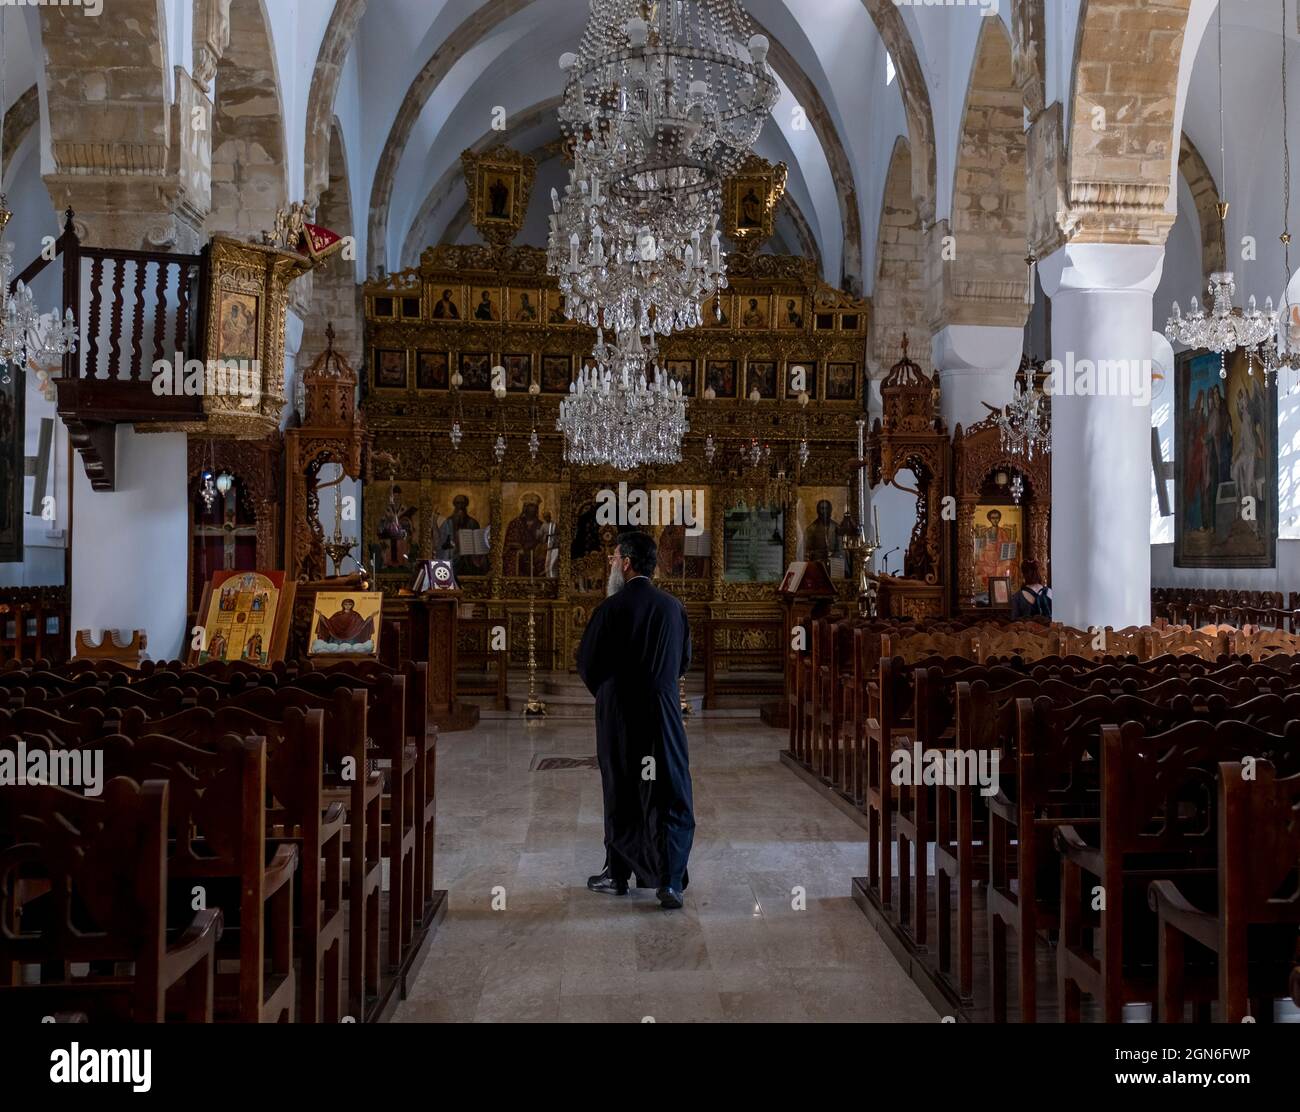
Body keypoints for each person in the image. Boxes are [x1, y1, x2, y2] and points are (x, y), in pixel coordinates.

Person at [577, 531, 694, 909]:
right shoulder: (673, 607)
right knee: (669, 788)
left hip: (621, 716)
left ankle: (618, 874)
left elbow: (588, 663)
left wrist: (609, 694)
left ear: (626, 563)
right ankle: (670, 880)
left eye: (613, 558)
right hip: (662, 713)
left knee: (622, 787)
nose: (612, 564)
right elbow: (684, 661)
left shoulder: (610, 609)